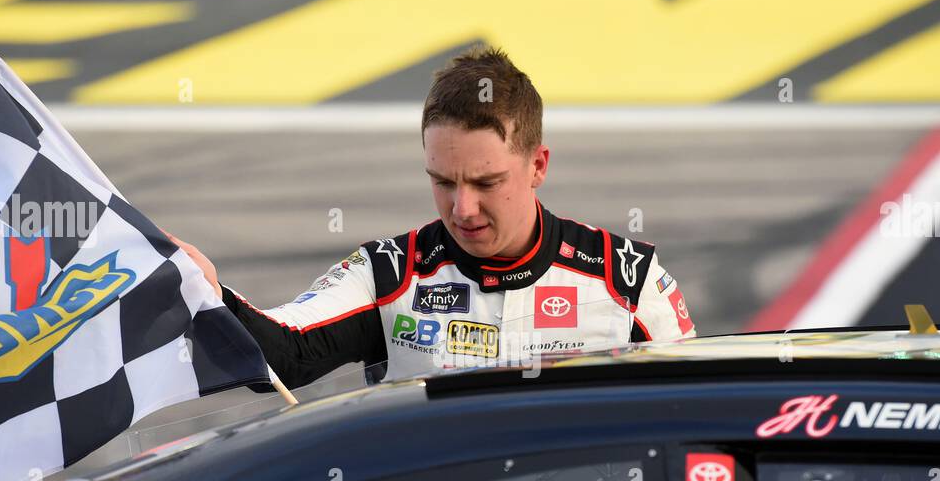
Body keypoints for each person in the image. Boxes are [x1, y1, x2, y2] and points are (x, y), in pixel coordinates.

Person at [172, 45, 694, 390]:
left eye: (486, 183)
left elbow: (695, 416)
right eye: (442, 181)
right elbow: (284, 357)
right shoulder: (389, 273)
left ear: (538, 166)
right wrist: (212, 295)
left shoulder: (627, 279)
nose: (461, 209)